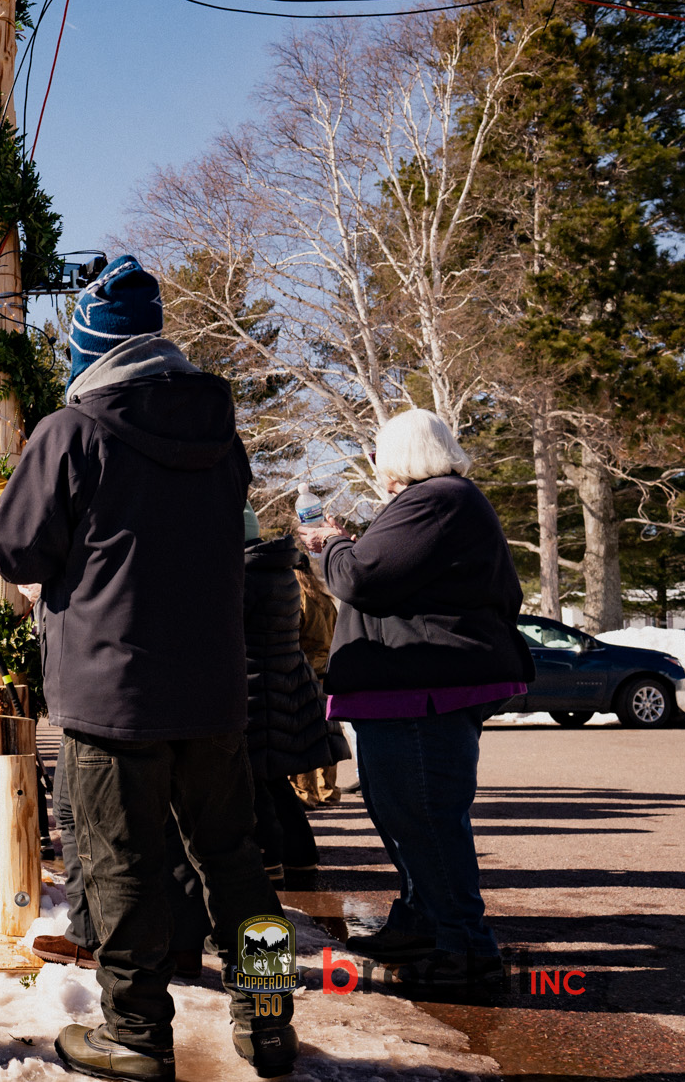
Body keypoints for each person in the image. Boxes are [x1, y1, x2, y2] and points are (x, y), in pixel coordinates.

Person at [0, 255, 294, 1082]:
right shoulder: (219, 432)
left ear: (90, 348)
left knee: (125, 865)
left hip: (113, 697)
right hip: (214, 690)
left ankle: (134, 1031)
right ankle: (268, 1015)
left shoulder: (73, 431)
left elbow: (15, 545)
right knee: (233, 858)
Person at [294, 409, 532, 988]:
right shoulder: (437, 503)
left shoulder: (439, 499)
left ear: (401, 455)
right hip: (403, 690)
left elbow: (362, 579)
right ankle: (422, 919)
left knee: (425, 815)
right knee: (397, 807)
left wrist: (330, 544)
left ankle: (468, 949)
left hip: (427, 690)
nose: (374, 466)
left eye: (378, 453)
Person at [239, 510, 345, 890]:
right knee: (274, 782)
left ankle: (268, 870)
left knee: (253, 784)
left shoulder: (243, 577)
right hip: (284, 685)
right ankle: (301, 861)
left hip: (254, 693)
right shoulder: (276, 571)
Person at [290, 557, 343, 807]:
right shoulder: (325, 599)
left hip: (305, 671)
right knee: (325, 733)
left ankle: (305, 792)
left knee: (303, 735)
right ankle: (328, 790)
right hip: (327, 671)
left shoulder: (295, 597)